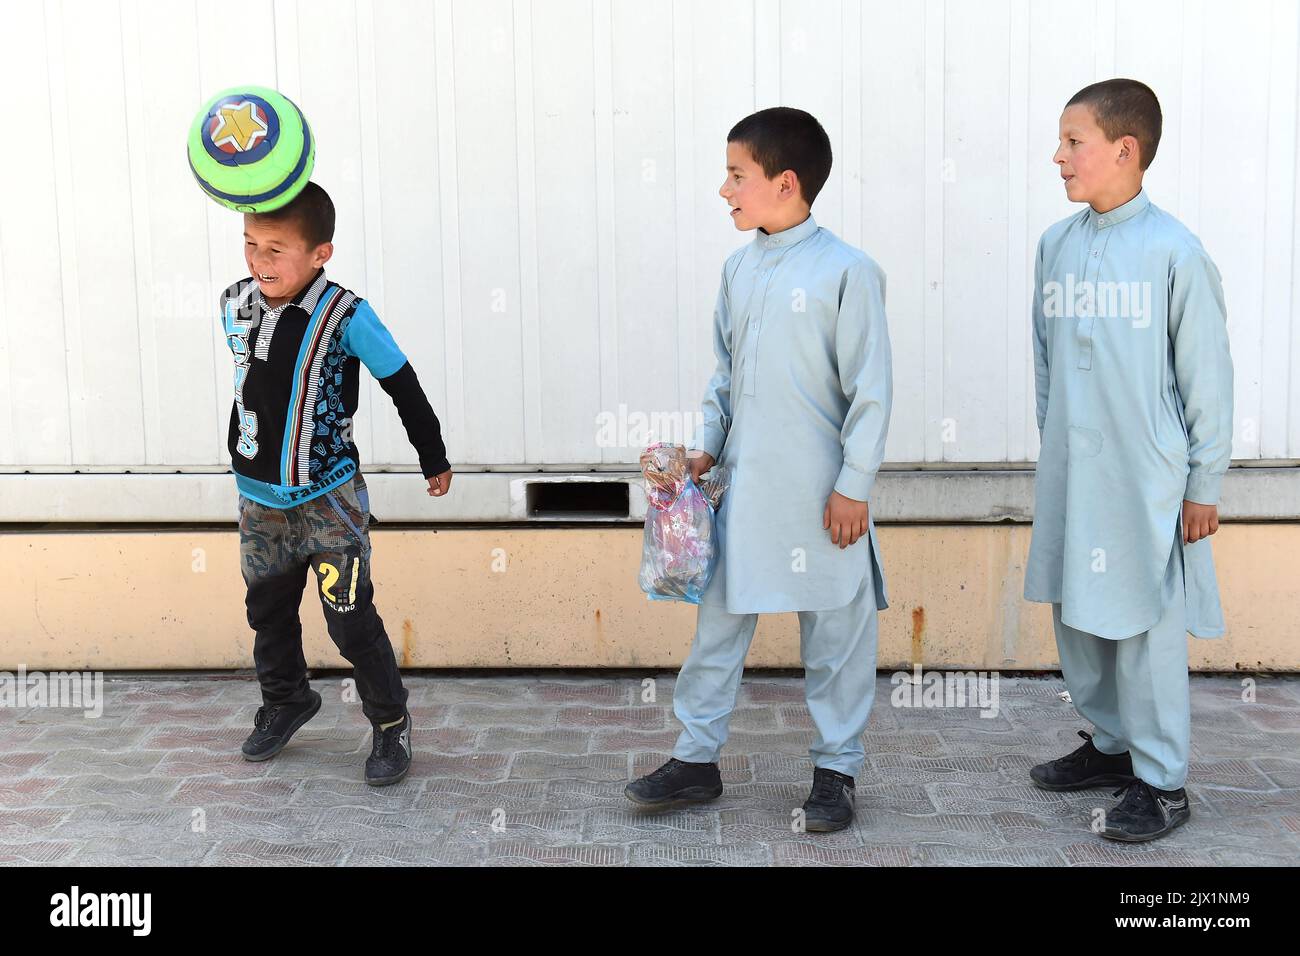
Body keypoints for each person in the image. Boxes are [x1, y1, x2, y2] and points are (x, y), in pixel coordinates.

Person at [624, 107, 893, 832]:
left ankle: (837, 770)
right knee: (719, 623)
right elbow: (725, 374)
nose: (725, 191)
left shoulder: (848, 271)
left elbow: (872, 391)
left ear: (786, 182)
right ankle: (695, 758)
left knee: (836, 635)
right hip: (743, 490)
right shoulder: (739, 268)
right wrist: (704, 449)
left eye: (736, 176)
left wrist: (853, 487)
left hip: (823, 498)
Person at [1024, 79, 1234, 841]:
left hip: (1148, 475)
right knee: (1076, 612)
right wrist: (1057, 450)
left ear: (1125, 149)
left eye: (1073, 142)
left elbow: (1207, 375)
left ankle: (1163, 782)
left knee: (1145, 626)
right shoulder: (1056, 245)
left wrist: (1203, 481)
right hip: (1074, 469)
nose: (1059, 156)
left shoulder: (1174, 251)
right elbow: (1046, 362)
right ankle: (1112, 746)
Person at [219, 181, 452, 785]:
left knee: (349, 619)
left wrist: (432, 456)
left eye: (275, 250)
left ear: (320, 253)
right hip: (259, 503)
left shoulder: (347, 314)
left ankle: (390, 723)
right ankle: (286, 699)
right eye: (249, 245)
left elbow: (399, 379)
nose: (257, 261)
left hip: (330, 502)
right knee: (267, 612)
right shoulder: (234, 303)